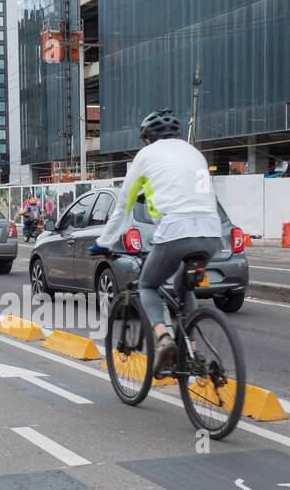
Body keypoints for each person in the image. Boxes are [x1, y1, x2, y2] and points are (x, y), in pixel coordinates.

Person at [89, 109, 222, 373]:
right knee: (185, 290)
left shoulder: (145, 156)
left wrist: (104, 243)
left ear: (147, 138)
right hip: (211, 232)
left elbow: (124, 206)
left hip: (174, 230)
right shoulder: (194, 153)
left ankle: (163, 338)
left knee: (149, 285)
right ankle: (193, 353)